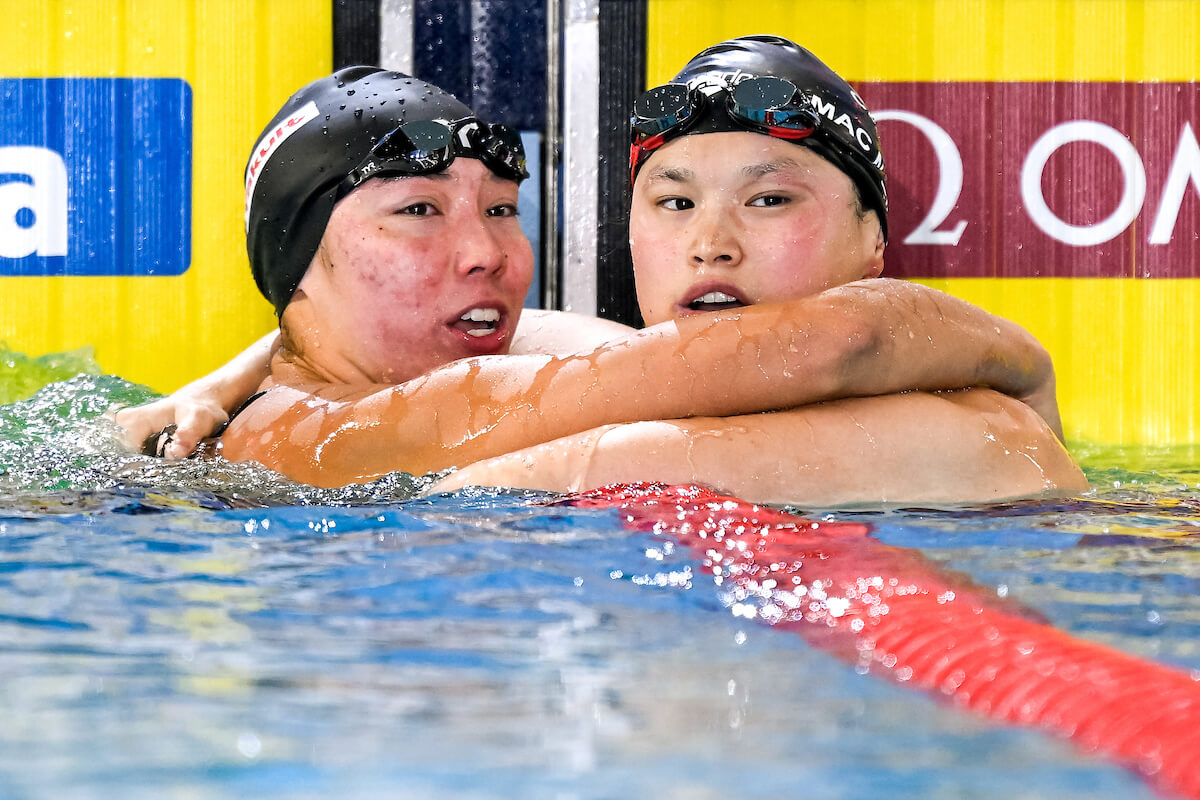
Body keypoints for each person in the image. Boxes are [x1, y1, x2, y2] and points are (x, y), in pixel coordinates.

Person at [112, 50, 1082, 502]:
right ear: (296, 263)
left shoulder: (528, 362)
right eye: (419, 211)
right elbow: (845, 343)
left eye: (502, 210)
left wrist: (230, 372)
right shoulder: (303, 435)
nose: (488, 254)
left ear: (874, 237)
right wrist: (1022, 365)